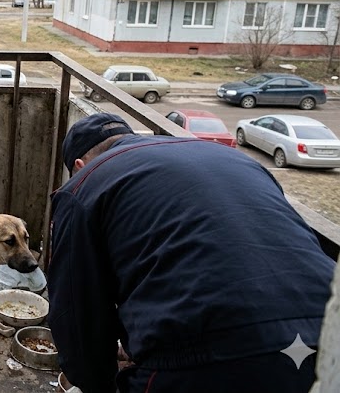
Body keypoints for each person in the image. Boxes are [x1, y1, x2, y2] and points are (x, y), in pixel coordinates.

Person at [48, 113, 335, 393]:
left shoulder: (84, 185)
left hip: (207, 357)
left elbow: (77, 321)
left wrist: (97, 382)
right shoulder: (236, 159)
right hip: (326, 337)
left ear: (78, 165)